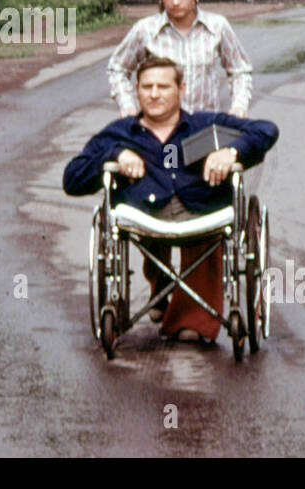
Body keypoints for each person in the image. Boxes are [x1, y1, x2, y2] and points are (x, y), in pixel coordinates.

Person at [64, 56, 279, 344]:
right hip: (145, 216)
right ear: (136, 91)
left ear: (181, 89)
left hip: (201, 212)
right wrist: (114, 155)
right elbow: (72, 179)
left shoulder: (205, 124)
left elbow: (266, 129)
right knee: (140, 205)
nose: (154, 94)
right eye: (147, 87)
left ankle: (190, 318)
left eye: (163, 87)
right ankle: (162, 290)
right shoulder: (120, 133)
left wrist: (231, 152)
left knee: (209, 221)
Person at [108, 0, 253, 118]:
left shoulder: (217, 26)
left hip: (203, 126)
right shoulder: (145, 30)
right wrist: (128, 106)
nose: (176, 2)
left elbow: (240, 70)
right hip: (160, 129)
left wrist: (239, 106)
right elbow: (118, 68)